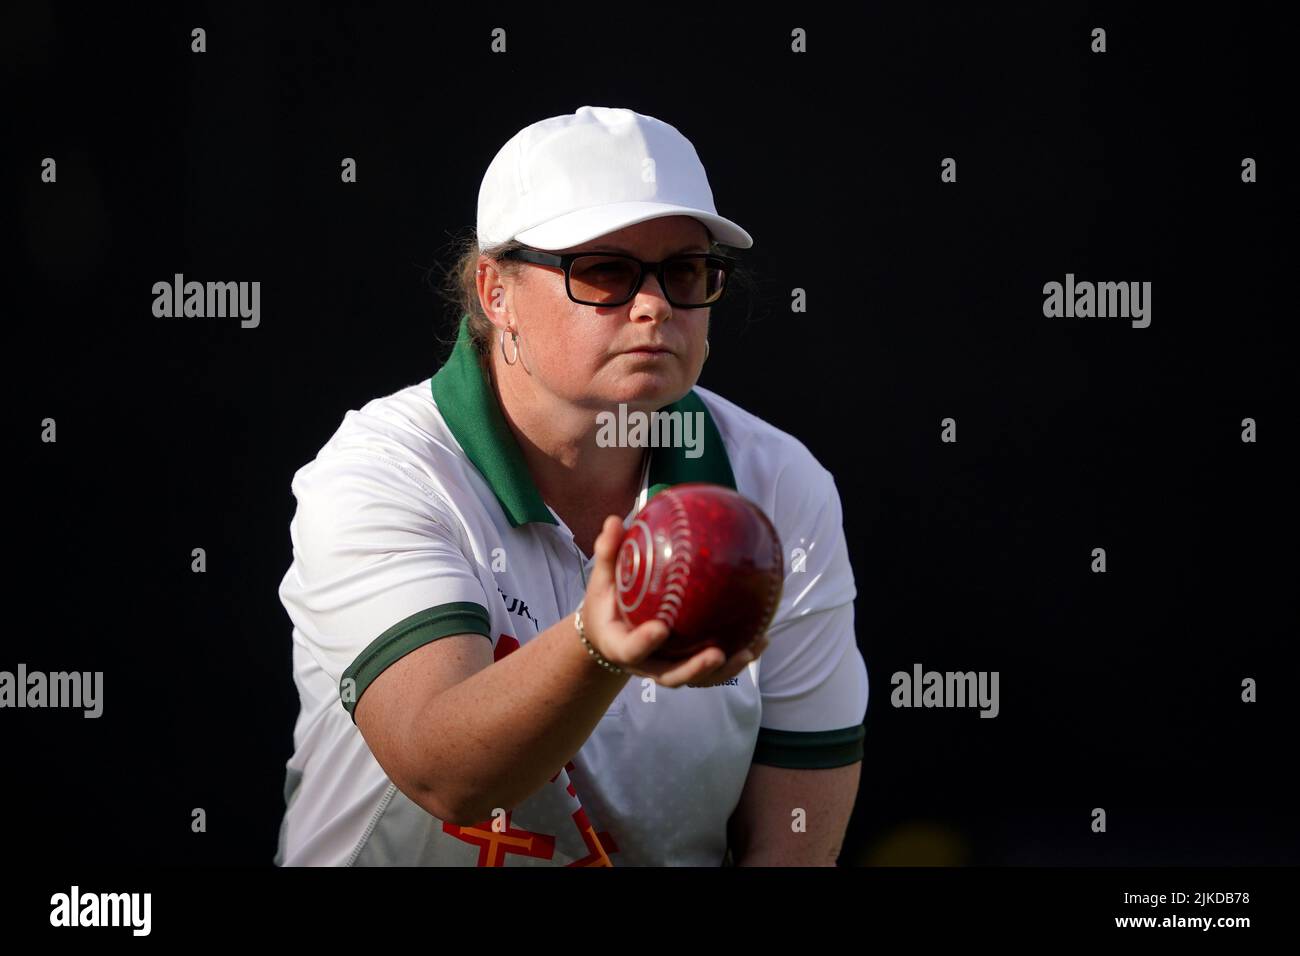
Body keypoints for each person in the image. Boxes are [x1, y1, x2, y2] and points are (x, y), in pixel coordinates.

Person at [274, 106, 868, 866]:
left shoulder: (783, 487)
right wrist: (599, 641)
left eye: (685, 270)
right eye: (604, 270)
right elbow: (442, 771)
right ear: (496, 293)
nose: (654, 304)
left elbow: (793, 841)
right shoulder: (380, 471)